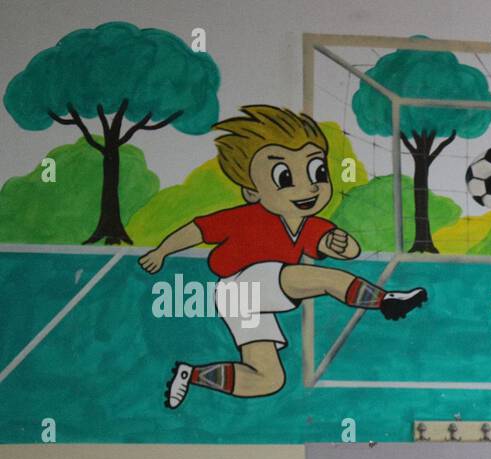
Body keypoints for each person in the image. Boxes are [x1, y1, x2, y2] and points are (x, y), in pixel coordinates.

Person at [138, 105, 428, 409]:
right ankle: (386, 301)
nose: (309, 186)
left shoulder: (309, 225)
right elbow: (198, 230)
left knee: (268, 379)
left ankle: (193, 374)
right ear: (252, 191)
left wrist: (342, 245)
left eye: (317, 171)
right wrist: (162, 251)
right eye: (285, 176)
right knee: (317, 278)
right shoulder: (245, 217)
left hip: (244, 303)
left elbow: (343, 248)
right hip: (240, 285)